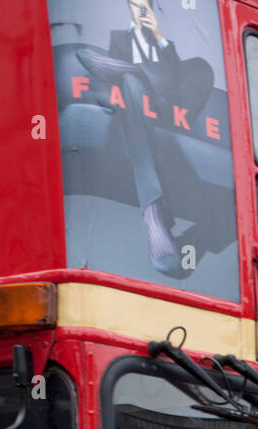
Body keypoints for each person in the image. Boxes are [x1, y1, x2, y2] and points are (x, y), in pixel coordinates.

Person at [77, 1, 215, 277]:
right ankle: (152, 212)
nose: (140, 12)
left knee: (201, 67)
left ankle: (130, 69)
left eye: (145, 7)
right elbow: (104, 90)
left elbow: (179, 79)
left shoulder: (163, 42)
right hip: (135, 103)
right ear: (129, 9)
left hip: (167, 104)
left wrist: (160, 38)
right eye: (136, 6)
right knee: (131, 85)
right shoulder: (119, 37)